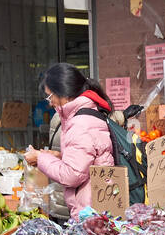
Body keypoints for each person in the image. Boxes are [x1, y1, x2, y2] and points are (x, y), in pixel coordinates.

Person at [23, 64, 113, 216]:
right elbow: (86, 161)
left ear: (63, 92)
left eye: (50, 96)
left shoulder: (80, 123)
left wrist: (40, 158)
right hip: (94, 206)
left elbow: (72, 175)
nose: (50, 102)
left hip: (90, 212)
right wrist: (58, 156)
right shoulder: (86, 114)